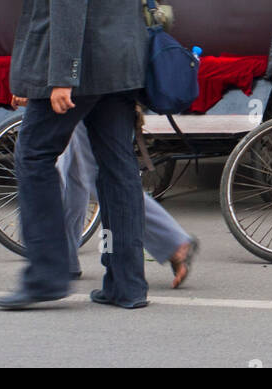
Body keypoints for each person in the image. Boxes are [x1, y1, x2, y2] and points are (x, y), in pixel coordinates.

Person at [0, 0, 149, 310]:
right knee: (118, 168)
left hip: (80, 68)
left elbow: (68, 2)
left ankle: (46, 274)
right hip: (121, 65)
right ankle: (127, 284)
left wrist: (62, 76)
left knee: (34, 157)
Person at [57, 121, 197, 289]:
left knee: (101, 177)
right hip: (86, 101)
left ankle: (173, 240)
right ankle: (64, 257)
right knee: (75, 172)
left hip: (89, 100)